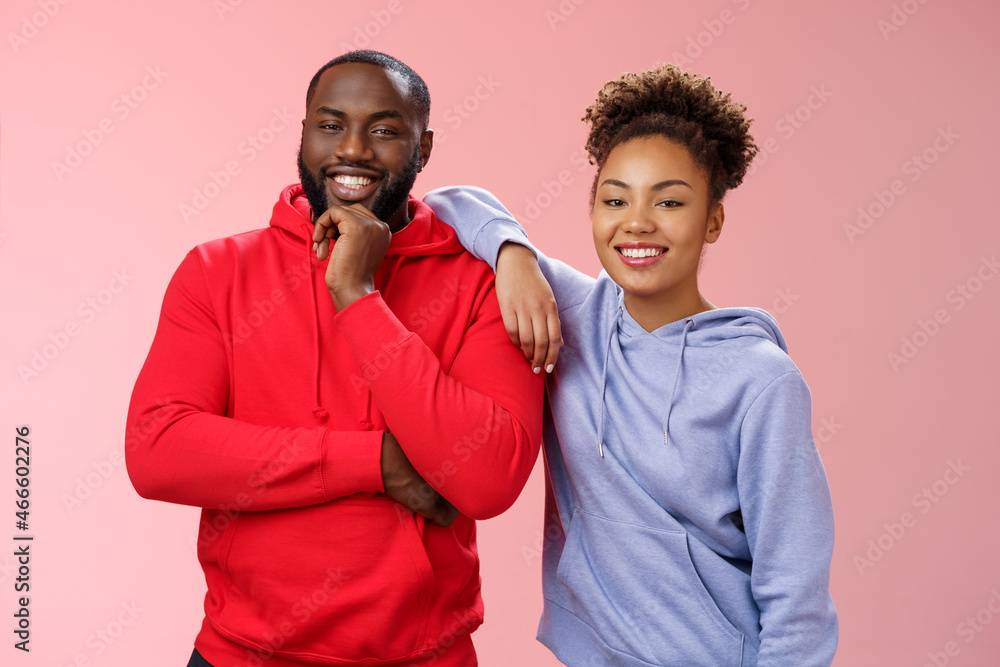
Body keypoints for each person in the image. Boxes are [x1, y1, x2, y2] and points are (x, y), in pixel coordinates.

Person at [125, 50, 542, 667]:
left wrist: (357, 293)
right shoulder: (217, 272)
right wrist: (374, 462)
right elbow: (159, 451)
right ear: (302, 134)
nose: (353, 149)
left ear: (424, 147)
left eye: (384, 130)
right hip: (242, 655)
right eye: (330, 124)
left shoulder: (485, 283)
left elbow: (487, 477)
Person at [423, 64, 839, 665]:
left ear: (713, 220)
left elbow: (795, 591)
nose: (637, 222)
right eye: (615, 199)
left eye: (669, 201)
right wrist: (513, 255)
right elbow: (447, 203)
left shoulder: (761, 380)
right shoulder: (572, 313)